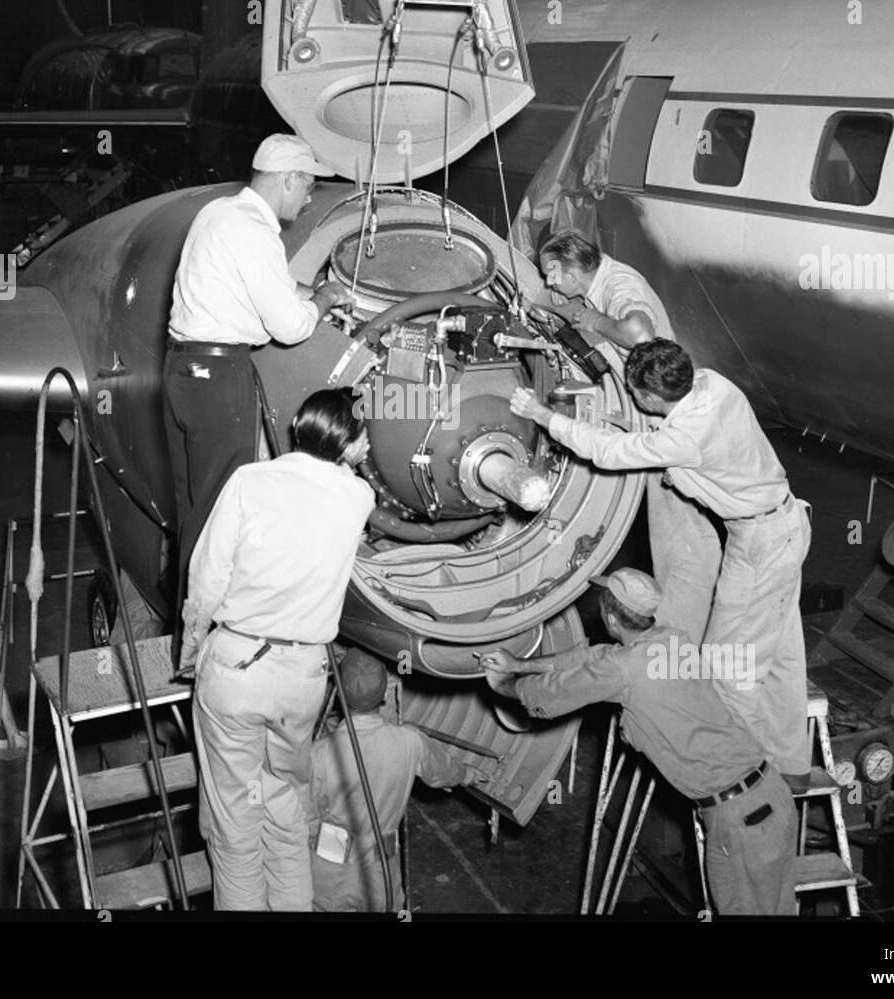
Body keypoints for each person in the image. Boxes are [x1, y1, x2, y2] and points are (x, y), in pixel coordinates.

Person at [510, 338, 813, 788]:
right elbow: (679, 438)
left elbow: (611, 454)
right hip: (788, 524)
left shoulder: (686, 437)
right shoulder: (716, 385)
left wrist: (544, 416)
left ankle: (745, 777)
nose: (636, 402)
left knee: (727, 670)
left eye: (637, 396)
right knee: (783, 657)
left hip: (759, 547)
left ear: (652, 398)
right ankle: (792, 765)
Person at [479, 568, 797, 916]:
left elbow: (547, 698)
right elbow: (593, 658)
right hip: (769, 796)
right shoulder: (672, 641)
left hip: (741, 820)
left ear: (611, 617)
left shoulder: (625, 668)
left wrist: (504, 685)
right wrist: (519, 664)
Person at [183, 389, 375, 911]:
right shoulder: (360, 498)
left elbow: (207, 578)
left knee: (235, 822)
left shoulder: (249, 481)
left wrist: (190, 649)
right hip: (303, 679)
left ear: (297, 424)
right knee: (284, 810)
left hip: (237, 670)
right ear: (355, 447)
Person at [163, 133, 351, 657]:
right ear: (287, 179)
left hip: (182, 370)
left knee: (193, 509)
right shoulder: (255, 231)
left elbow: (250, 286)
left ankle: (184, 629)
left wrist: (306, 295)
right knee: (220, 512)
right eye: (308, 185)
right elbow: (290, 329)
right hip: (220, 378)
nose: (309, 197)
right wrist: (327, 299)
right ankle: (200, 645)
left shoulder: (220, 214)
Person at [537, 229, 719, 645]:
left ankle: (681, 644)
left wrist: (594, 321)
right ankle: (677, 635)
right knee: (671, 541)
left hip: (666, 432)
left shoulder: (619, 286)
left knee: (682, 546)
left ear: (571, 268)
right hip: (656, 423)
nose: (548, 281)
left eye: (551, 273)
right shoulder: (598, 286)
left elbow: (639, 335)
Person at [308, 648, 489, 912]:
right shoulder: (409, 742)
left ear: (339, 695)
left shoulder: (320, 753)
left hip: (330, 878)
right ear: (384, 695)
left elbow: (304, 820)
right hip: (381, 875)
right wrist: (469, 775)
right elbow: (445, 772)